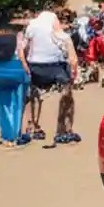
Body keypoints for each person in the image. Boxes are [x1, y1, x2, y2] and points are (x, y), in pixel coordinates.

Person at [24, 9, 80, 145]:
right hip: (55, 65)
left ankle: (32, 126)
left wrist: (25, 65)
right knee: (67, 95)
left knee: (33, 95)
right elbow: (73, 59)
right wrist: (74, 74)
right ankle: (64, 128)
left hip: (35, 64)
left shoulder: (32, 27)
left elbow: (24, 48)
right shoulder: (63, 36)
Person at [0, 12, 31, 147]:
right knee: (17, 105)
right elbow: (21, 55)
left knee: (2, 106)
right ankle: (14, 136)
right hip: (16, 71)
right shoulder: (16, 37)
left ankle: (6, 135)